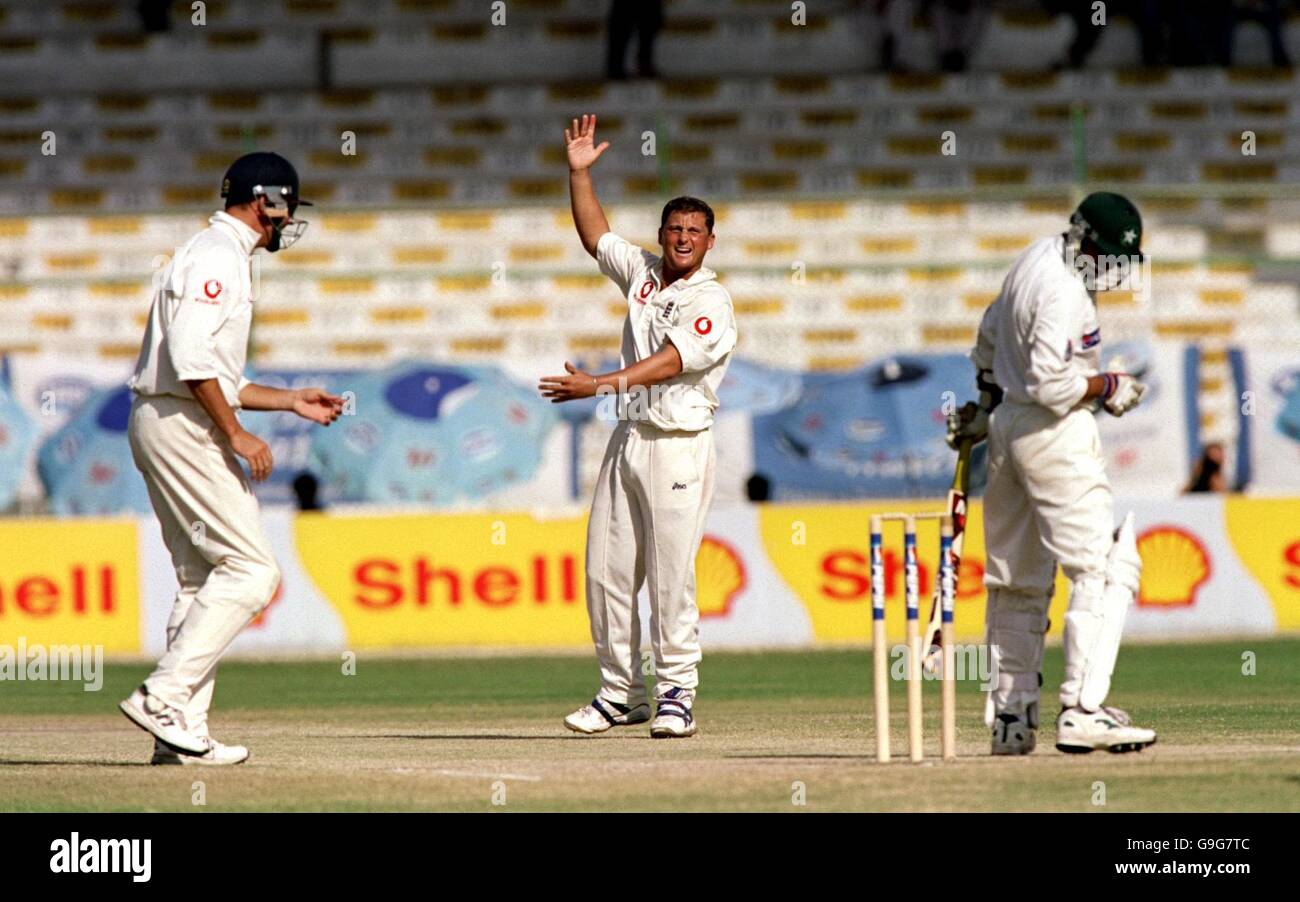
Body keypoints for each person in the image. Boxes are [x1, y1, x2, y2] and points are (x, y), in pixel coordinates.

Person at [120, 152, 344, 765]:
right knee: (253, 572)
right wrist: (237, 435)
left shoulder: (218, 254)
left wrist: (289, 400)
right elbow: (193, 362)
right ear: (264, 201)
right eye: (286, 206)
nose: (289, 219)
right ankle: (163, 695)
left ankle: (179, 736)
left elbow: (220, 376)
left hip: (165, 417)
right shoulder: (219, 257)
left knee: (201, 579)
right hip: (182, 424)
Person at [540, 115, 737, 739]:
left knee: (671, 574)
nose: (683, 239)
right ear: (661, 234)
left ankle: (678, 690)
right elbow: (595, 234)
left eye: (694, 232)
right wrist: (579, 174)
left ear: (709, 242)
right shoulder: (646, 275)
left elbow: (670, 363)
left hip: (678, 446)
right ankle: (621, 693)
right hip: (628, 438)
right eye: (674, 229)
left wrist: (596, 385)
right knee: (607, 569)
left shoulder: (711, 299)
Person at [947, 192, 1157, 755]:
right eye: (1107, 256)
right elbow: (1050, 383)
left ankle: (1011, 719)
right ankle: (1083, 710)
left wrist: (986, 408)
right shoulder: (1065, 293)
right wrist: (1108, 386)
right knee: (1105, 565)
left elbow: (988, 337)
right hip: (1051, 431)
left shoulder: (1034, 257)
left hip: (1008, 432)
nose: (1112, 270)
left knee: (1017, 579)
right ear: (1083, 238)